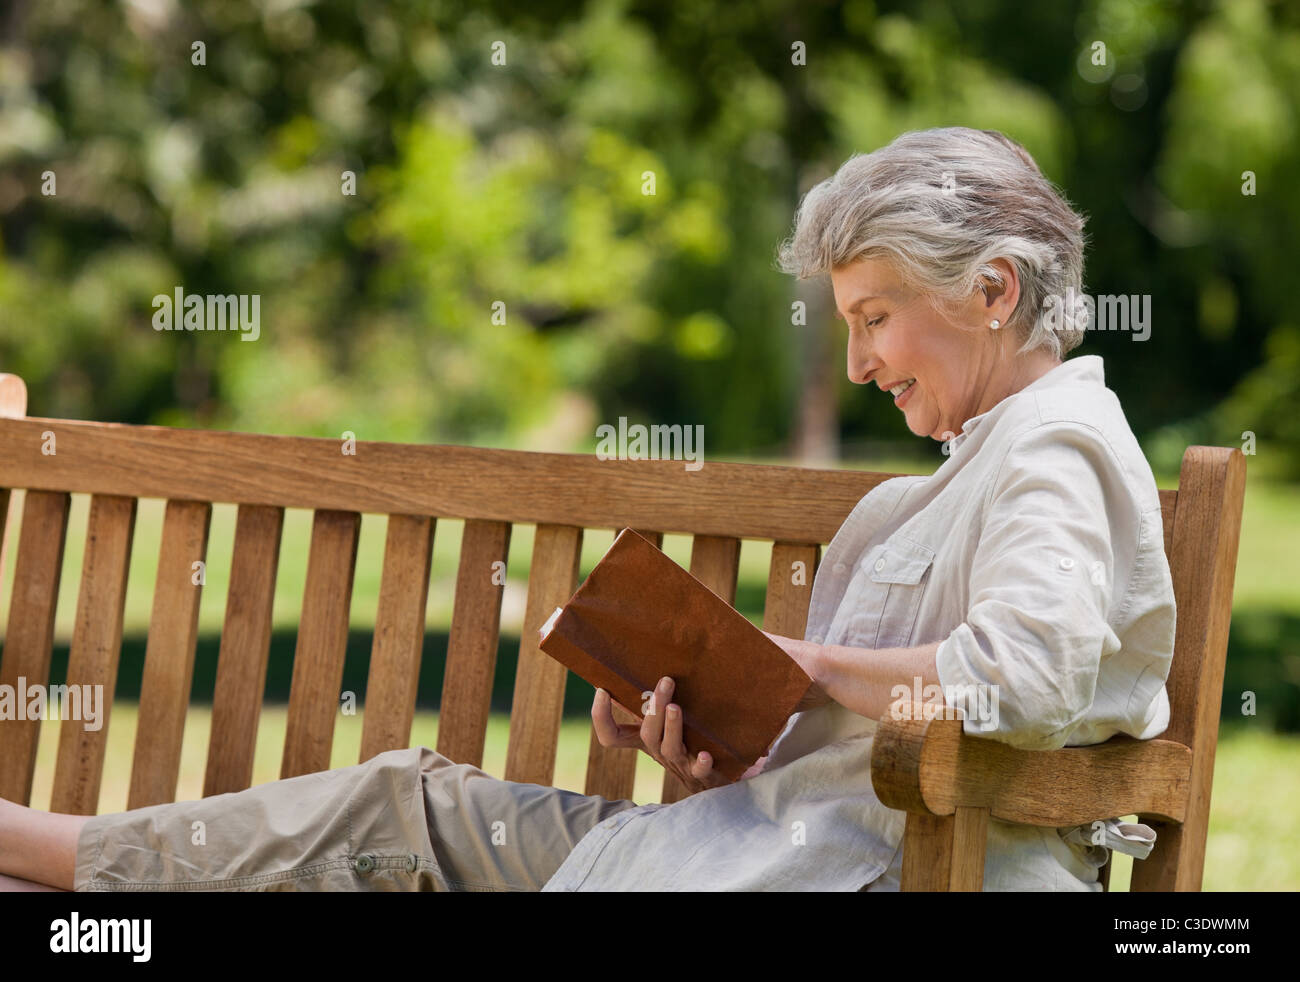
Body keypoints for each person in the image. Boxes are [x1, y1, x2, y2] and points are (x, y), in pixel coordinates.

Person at [0, 126, 1174, 892]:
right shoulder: (943, 483)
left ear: (992, 291)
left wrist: (801, 665)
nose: (860, 362)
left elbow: (1024, 675)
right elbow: (865, 738)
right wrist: (717, 736)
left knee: (404, 815)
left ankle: (35, 853)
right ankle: (40, 853)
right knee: (407, 801)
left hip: (855, 875)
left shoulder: (1055, 450)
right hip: (758, 853)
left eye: (873, 316)